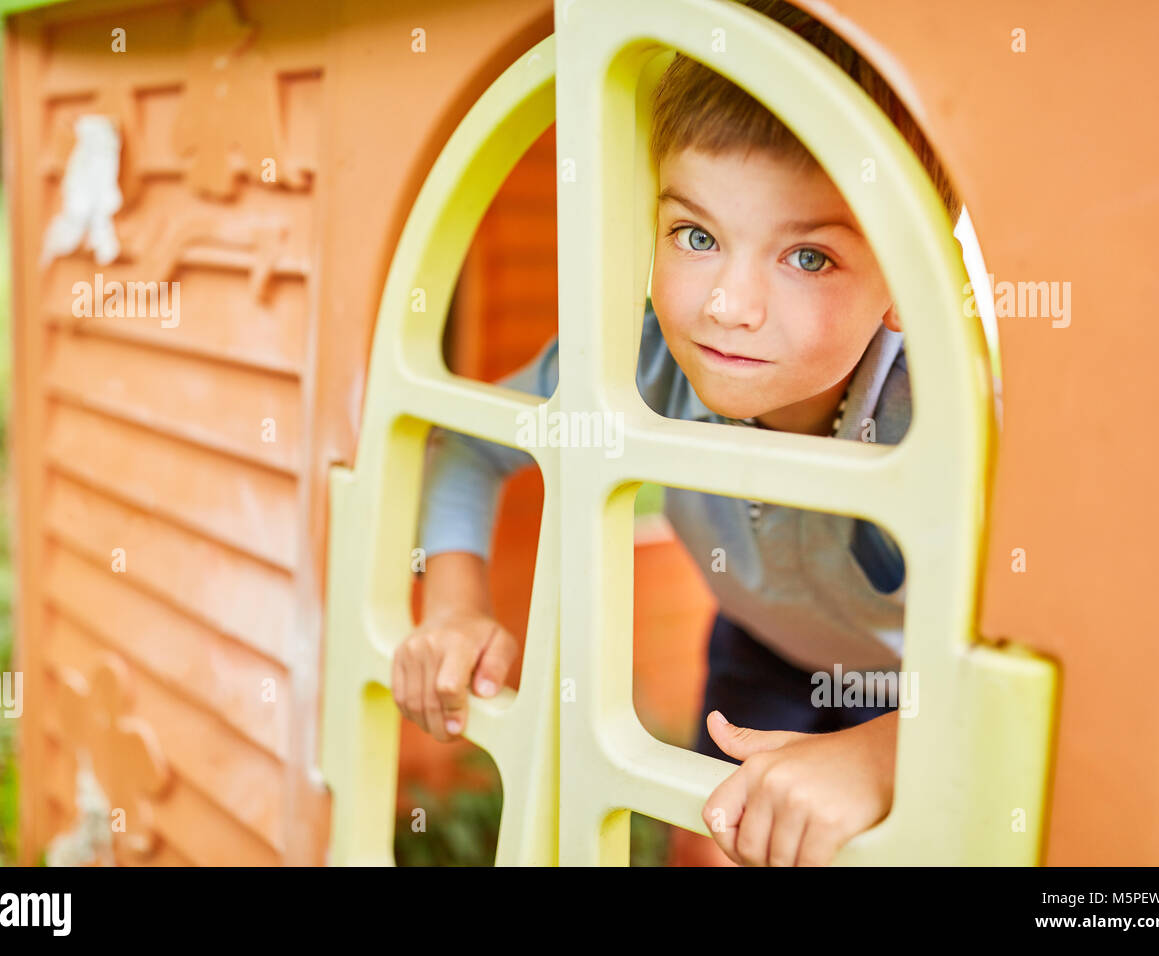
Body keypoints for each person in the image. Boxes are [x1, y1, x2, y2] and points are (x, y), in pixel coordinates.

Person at [395, 0, 963, 866]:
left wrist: (893, 751)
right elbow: (469, 443)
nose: (728, 306)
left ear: (908, 279)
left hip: (925, 691)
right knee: (729, 839)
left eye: (808, 256)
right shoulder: (633, 362)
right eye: (695, 235)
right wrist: (454, 607)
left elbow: (1059, 627)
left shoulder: (941, 415)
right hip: (761, 650)